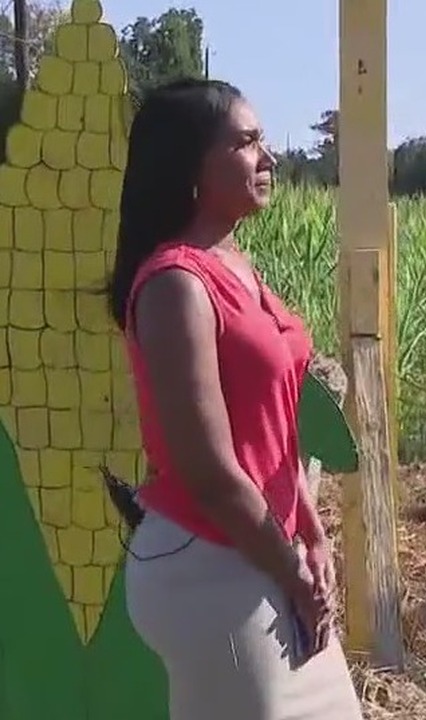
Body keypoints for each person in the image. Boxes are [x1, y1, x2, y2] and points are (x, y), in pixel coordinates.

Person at [108, 78, 364, 720]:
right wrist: (289, 570)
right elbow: (210, 470)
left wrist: (312, 536)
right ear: (191, 166)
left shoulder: (237, 266)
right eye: (247, 142)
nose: (269, 158)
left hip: (266, 554)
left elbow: (274, 432)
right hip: (209, 568)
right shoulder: (175, 285)